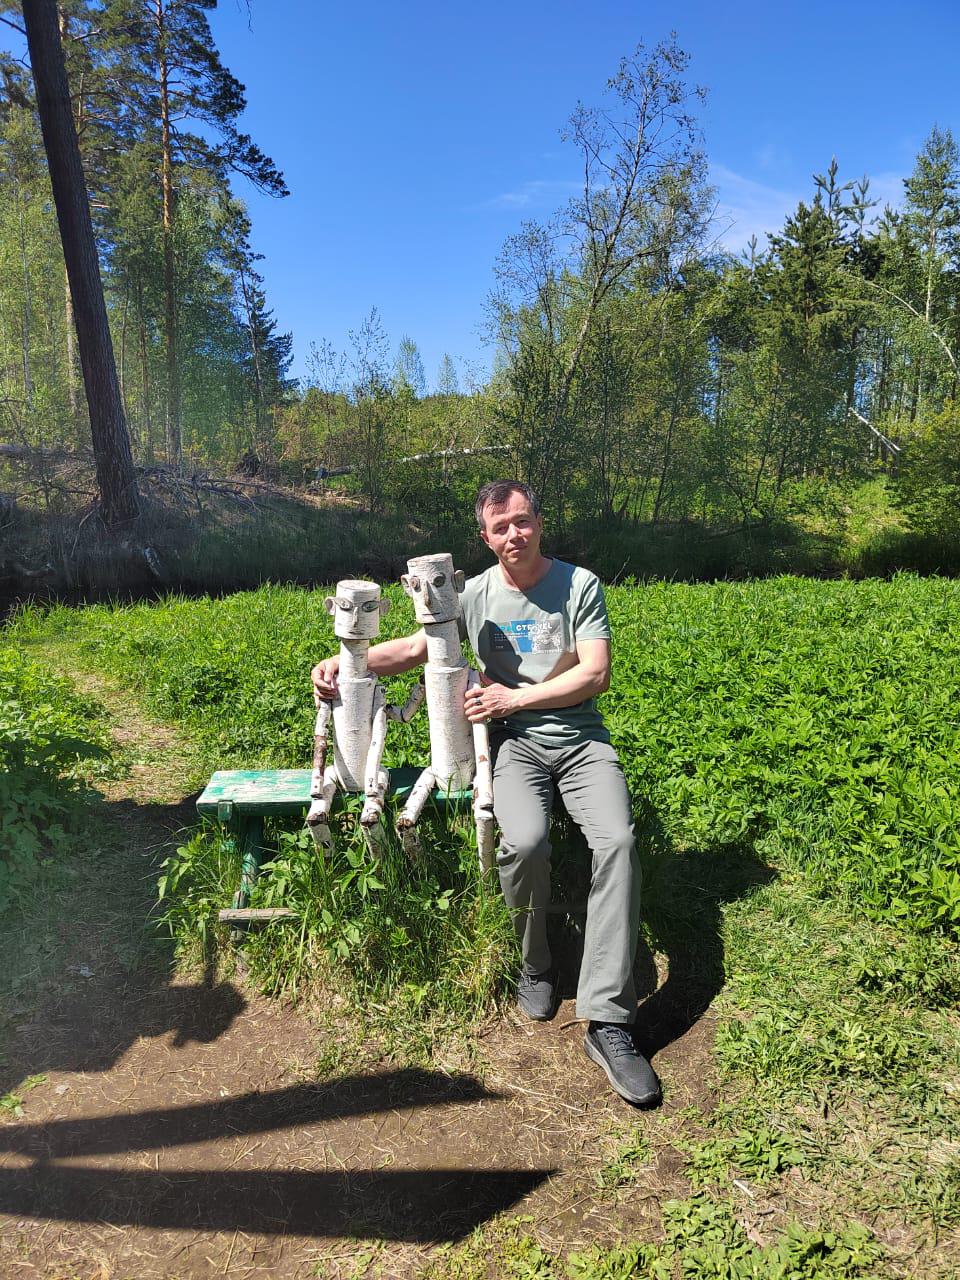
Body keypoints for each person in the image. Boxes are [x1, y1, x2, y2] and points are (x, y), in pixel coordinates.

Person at [311, 480, 660, 1107]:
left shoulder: (579, 586)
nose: (514, 536)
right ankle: (537, 963)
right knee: (523, 842)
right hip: (513, 747)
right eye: (501, 528)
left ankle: (608, 1019)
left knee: (619, 841)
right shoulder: (475, 593)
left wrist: (513, 696)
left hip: (581, 739)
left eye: (523, 522)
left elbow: (595, 672)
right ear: (486, 537)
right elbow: (419, 647)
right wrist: (348, 662)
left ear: (539, 522)